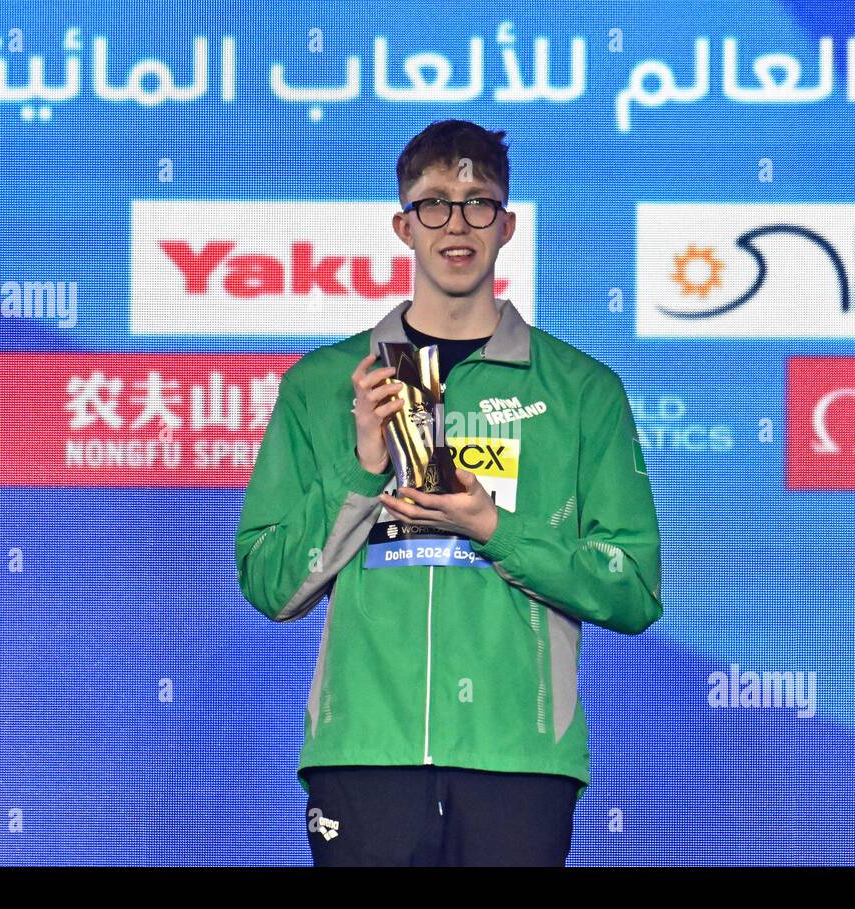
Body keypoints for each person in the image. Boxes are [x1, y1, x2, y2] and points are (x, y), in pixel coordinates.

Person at [236, 119, 663, 866]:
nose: (456, 223)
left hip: (520, 757)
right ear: (403, 225)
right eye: (434, 203)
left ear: (508, 224)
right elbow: (271, 586)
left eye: (478, 202)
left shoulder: (583, 390)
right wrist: (363, 469)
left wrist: (495, 528)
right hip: (364, 752)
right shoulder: (323, 385)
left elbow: (632, 591)